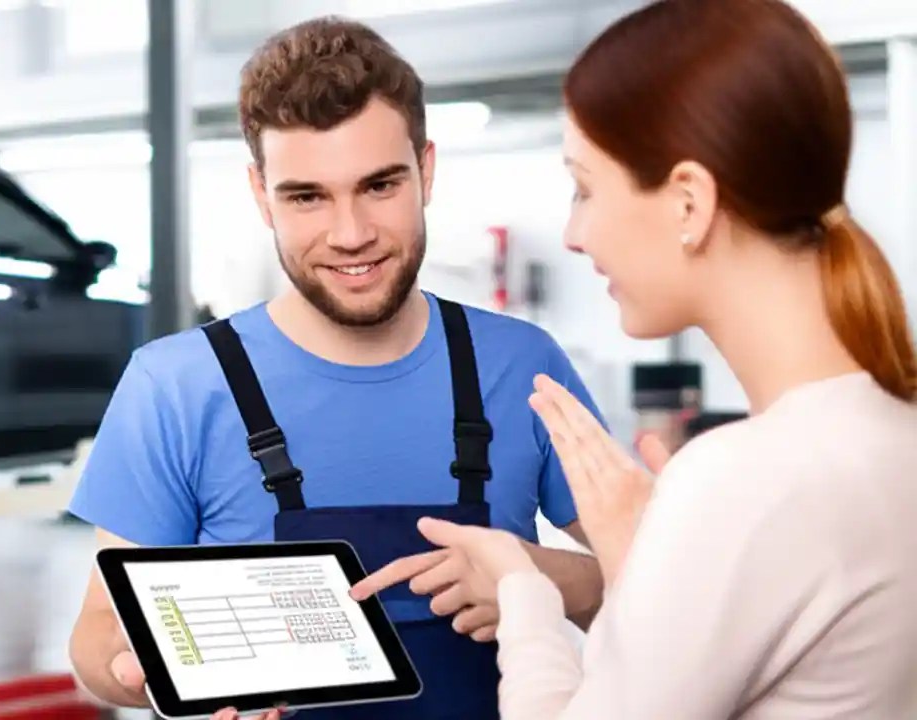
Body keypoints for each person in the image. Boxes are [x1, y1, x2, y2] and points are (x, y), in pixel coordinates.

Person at [351, 0, 917, 717]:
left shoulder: (740, 478)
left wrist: (524, 590)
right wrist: (640, 571)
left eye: (585, 188)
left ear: (688, 202)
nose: (573, 233)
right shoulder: (892, 431)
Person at [66, 16, 607, 720]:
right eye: (307, 196)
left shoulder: (524, 367)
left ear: (427, 170)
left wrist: (542, 577)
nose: (350, 234)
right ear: (262, 195)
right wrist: (148, 680)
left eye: (379, 186)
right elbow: (97, 636)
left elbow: (663, 596)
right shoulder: (175, 386)